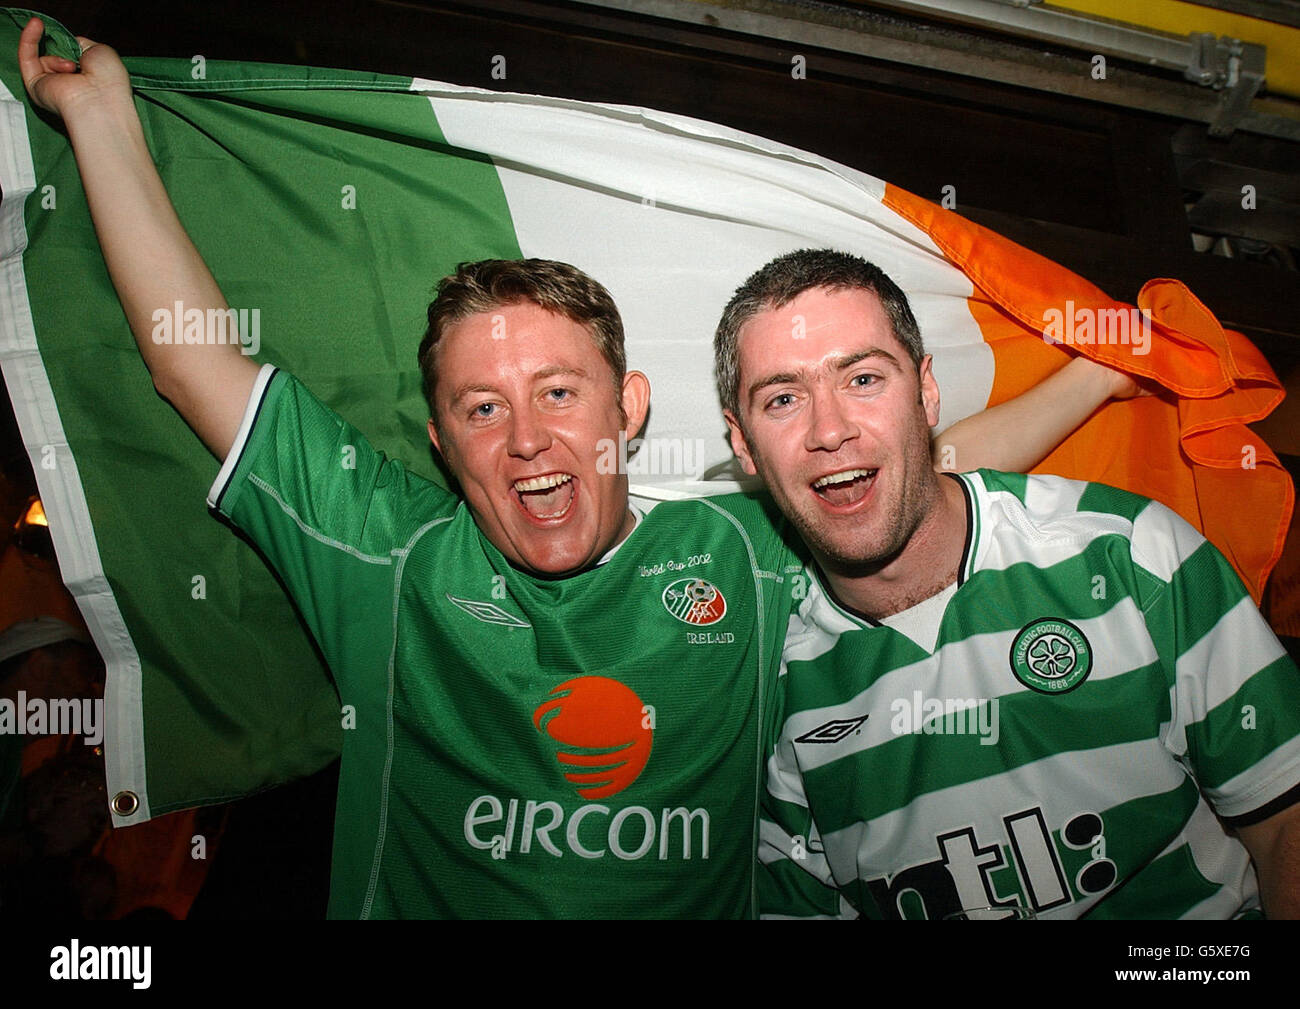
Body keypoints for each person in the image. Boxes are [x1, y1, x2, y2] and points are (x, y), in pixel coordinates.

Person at [19, 19, 1134, 918]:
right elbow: (192, 361)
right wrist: (102, 117)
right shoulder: (383, 551)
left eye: (558, 393)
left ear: (628, 410)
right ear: (443, 444)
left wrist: (1097, 378)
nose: (526, 441)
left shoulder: (735, 553)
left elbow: (904, 480)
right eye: (482, 409)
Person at [714, 248, 1300, 919]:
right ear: (743, 442)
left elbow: (1287, 816)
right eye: (783, 398)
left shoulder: (1130, 557)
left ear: (927, 391)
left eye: (865, 378)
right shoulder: (766, 671)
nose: (830, 429)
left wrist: (1101, 368)